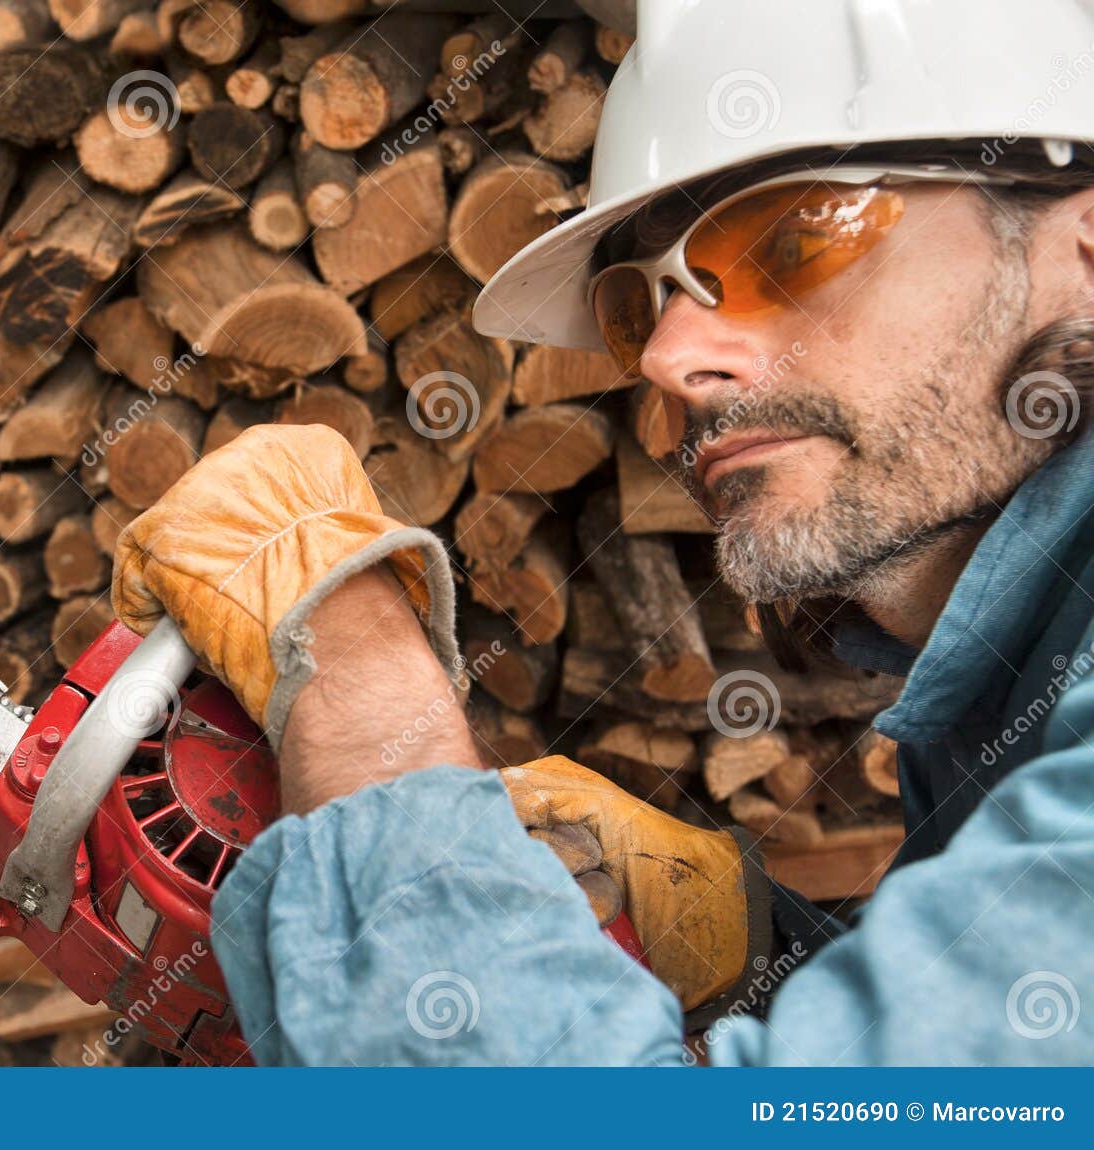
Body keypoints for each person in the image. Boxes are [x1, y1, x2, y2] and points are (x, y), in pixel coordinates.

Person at [112, 0, 1094, 1063]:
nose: (669, 359)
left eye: (790, 239)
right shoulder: (1001, 684)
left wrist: (361, 696)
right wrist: (749, 936)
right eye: (639, 303)